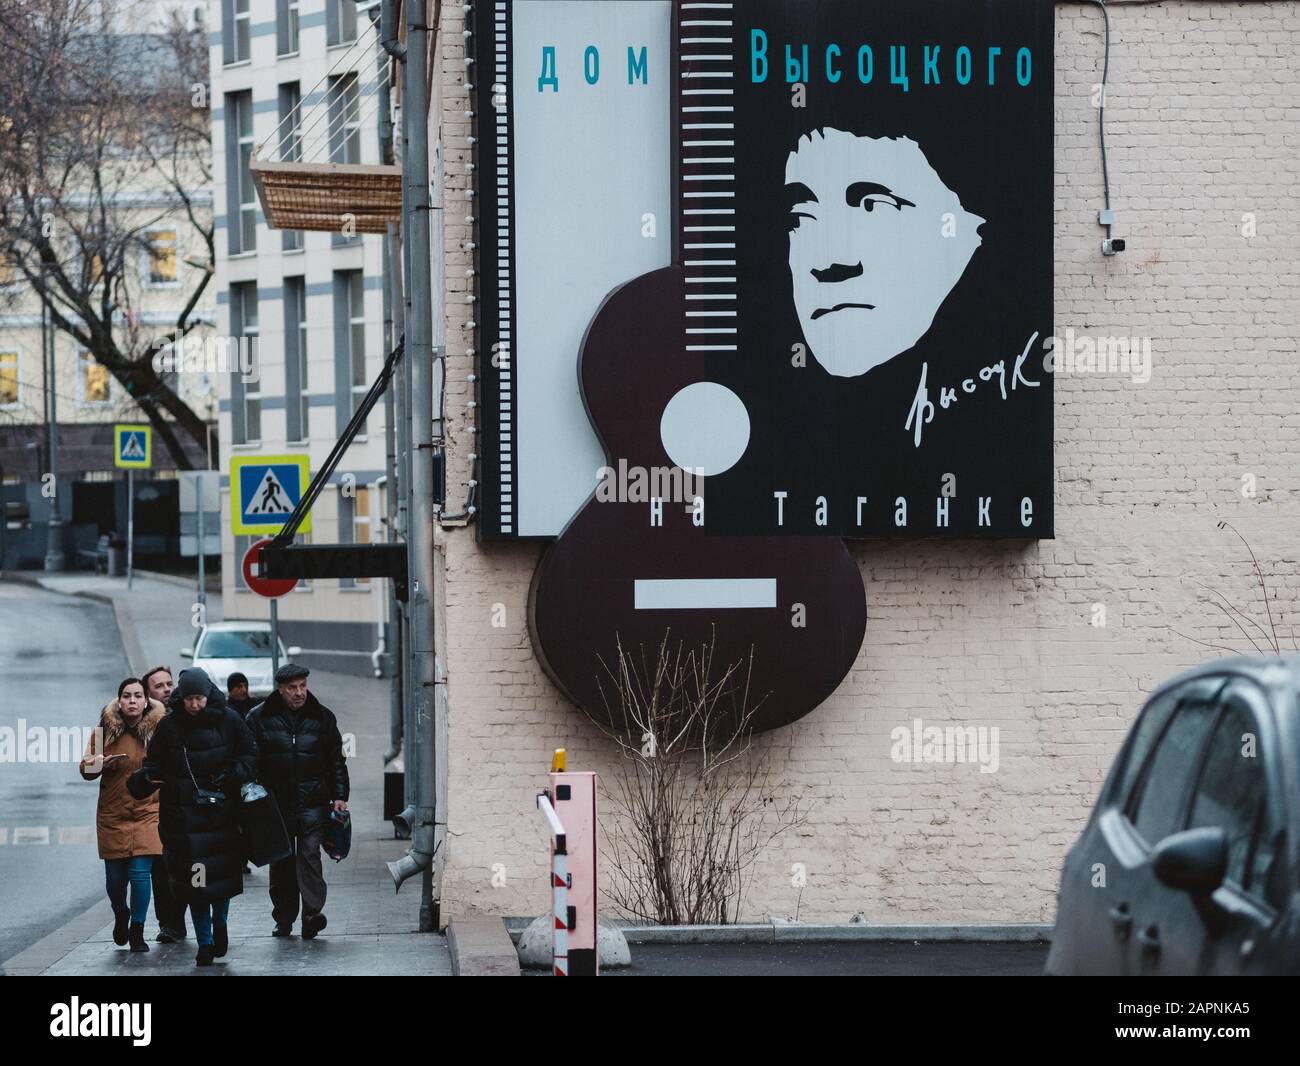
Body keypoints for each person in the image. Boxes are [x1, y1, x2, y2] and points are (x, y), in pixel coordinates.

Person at [129, 668, 257, 966]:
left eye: (199, 698)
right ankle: (205, 941)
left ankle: (220, 923)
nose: (195, 705)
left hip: (222, 814)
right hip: (183, 819)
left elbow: (250, 758)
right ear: (182, 698)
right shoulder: (170, 725)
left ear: (207, 694)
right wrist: (147, 779)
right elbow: (154, 763)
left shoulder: (229, 720)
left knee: (221, 878)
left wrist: (229, 774)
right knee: (196, 884)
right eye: (190, 699)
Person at [247, 664, 349, 939]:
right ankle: (284, 918)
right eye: (292, 688)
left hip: (313, 802)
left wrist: (340, 796)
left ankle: (312, 914)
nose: (299, 692)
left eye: (303, 685)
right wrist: (252, 795)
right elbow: (249, 761)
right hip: (276, 806)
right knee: (281, 863)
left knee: (310, 856)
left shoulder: (322, 717)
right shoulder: (258, 718)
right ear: (280, 689)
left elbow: (336, 761)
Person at [80, 678, 166, 953]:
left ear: (145, 701)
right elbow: (85, 770)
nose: (132, 700)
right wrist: (99, 763)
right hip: (113, 814)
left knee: (141, 874)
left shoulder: (160, 731)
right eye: (126, 696)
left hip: (148, 810)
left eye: (137, 695)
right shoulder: (103, 732)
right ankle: (121, 912)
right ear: (119, 701)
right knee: (115, 881)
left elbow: (172, 763)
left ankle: (138, 930)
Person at [139, 664, 186, 943]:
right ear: (148, 694)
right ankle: (169, 924)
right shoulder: (144, 724)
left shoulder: (188, 714)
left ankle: (202, 925)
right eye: (159, 686)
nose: (167, 689)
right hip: (154, 809)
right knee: (161, 869)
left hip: (186, 806)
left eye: (169, 683)